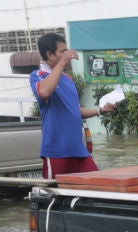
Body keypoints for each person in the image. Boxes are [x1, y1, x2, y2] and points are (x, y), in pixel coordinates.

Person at [30, 32, 114, 180]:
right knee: (56, 196)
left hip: (78, 150)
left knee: (99, 187)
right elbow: (44, 92)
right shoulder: (38, 76)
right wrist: (62, 62)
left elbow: (75, 111)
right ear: (49, 54)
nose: (67, 54)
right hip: (56, 151)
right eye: (63, 52)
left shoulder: (68, 79)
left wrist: (100, 110)